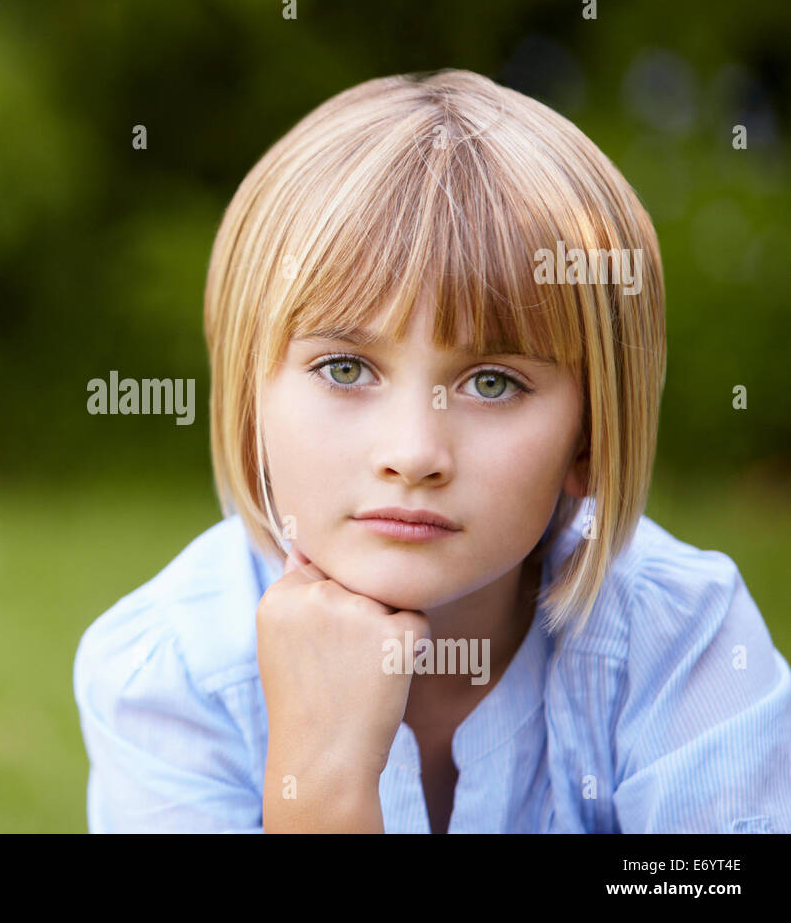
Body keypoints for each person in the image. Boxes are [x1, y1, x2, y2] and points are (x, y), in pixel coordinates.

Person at [73, 69, 791, 833]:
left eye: (492, 382)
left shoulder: (679, 637)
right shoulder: (171, 668)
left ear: (590, 437)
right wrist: (322, 777)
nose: (414, 454)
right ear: (250, 407)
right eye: (345, 369)